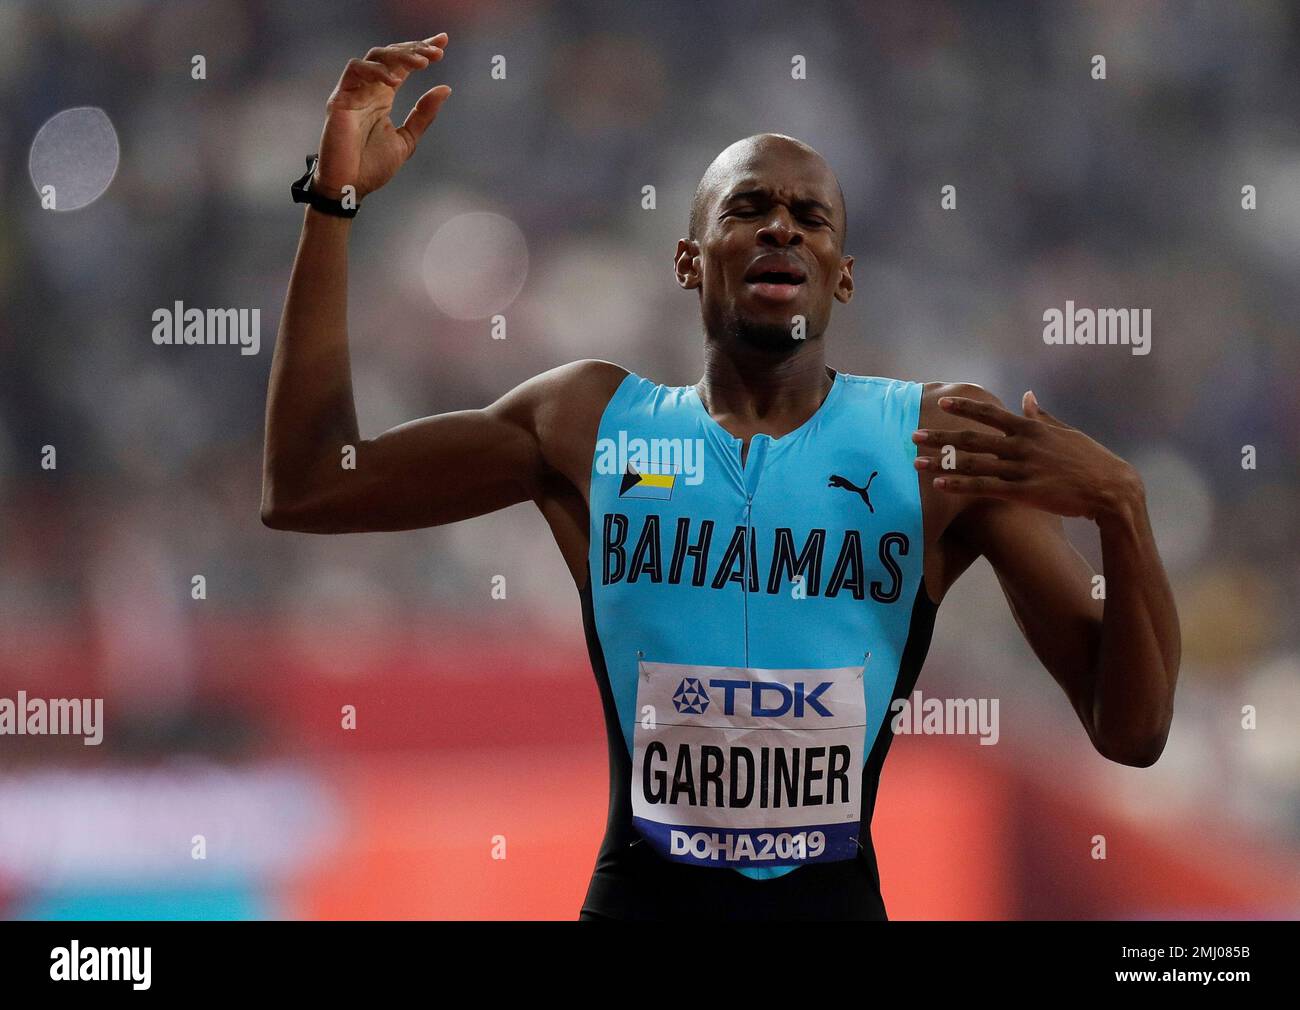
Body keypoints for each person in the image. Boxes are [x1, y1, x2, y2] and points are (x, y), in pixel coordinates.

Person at [261, 34, 1181, 921]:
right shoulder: (586, 426)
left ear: (842, 276)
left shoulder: (938, 444)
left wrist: (1124, 512)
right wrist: (332, 201)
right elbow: (310, 487)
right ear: (689, 260)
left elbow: (1130, 732)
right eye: (747, 209)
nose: (782, 225)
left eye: (810, 217)